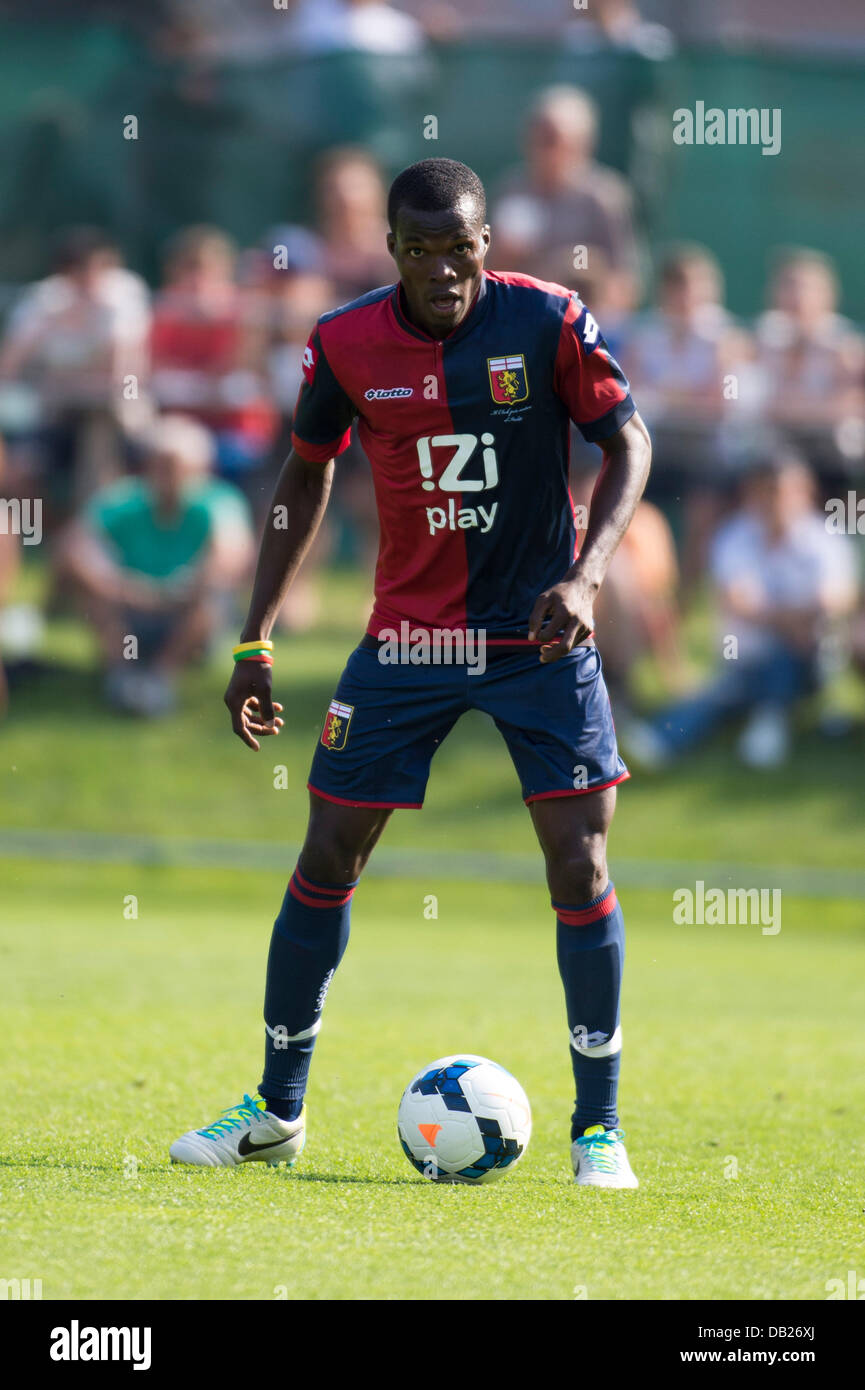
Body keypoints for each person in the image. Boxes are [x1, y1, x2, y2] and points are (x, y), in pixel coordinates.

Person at [169, 158, 652, 1188]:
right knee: (328, 850)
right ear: (393, 250)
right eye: (421, 250)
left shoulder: (548, 321)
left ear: (488, 242)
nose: (443, 269)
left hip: (537, 635)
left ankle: (598, 1130)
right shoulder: (345, 341)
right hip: (408, 640)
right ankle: (275, 1109)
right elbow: (307, 468)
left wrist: (588, 576)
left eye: (461, 248)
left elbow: (629, 441)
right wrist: (254, 635)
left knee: (581, 865)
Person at [628, 453, 858, 770]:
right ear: (752, 494)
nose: (776, 501)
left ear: (805, 493)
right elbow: (741, 602)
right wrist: (794, 620)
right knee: (742, 681)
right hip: (749, 660)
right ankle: (768, 716)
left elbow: (836, 599)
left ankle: (668, 736)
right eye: (767, 491)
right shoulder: (734, 537)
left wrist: (777, 617)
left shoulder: (825, 539)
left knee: (738, 684)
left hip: (811, 662)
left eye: (784, 491)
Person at [56, 413, 253, 717]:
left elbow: (231, 554)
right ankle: (121, 676)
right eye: (160, 464)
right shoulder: (124, 499)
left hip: (184, 611)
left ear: (200, 469)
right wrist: (118, 586)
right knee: (94, 597)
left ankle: (161, 678)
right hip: (127, 607)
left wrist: (181, 589)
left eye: (175, 467)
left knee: (210, 600)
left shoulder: (219, 501)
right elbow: (74, 546)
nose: (167, 475)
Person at [490, 86, 641, 316]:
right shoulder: (509, 190)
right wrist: (503, 258)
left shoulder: (604, 198)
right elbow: (483, 280)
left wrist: (583, 275)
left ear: (581, 144)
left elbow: (627, 286)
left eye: (552, 139)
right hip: (519, 323)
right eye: (537, 137)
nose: (543, 149)